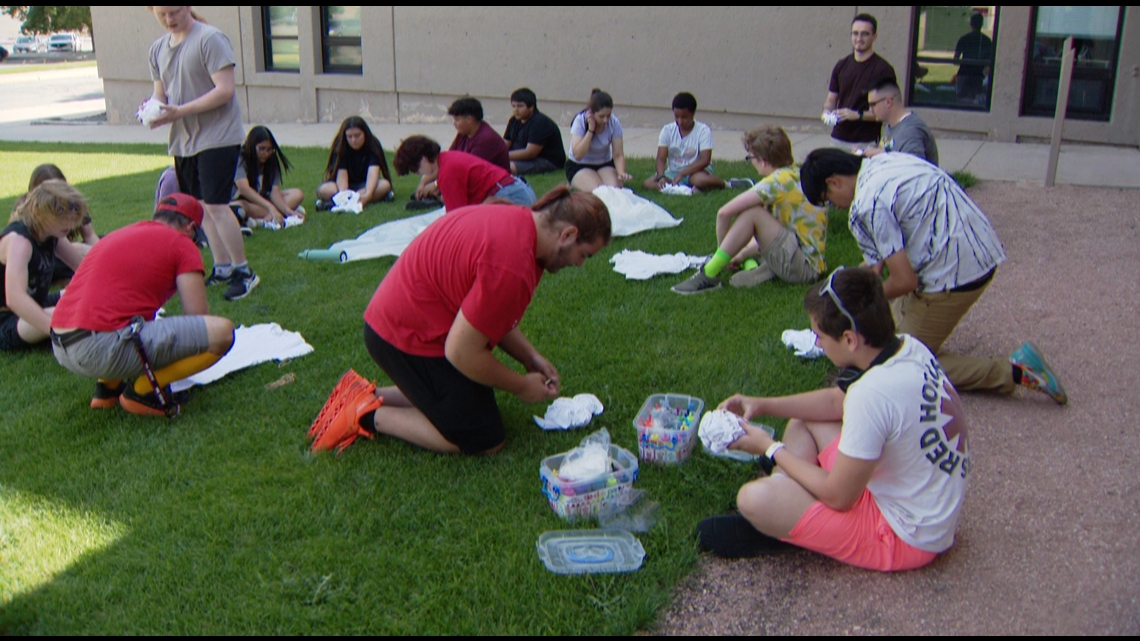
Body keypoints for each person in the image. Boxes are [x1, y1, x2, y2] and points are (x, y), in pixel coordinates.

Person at [697, 267, 970, 572]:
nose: (817, 343)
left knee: (752, 499)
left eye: (820, 336)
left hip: (904, 536)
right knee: (802, 420)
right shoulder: (908, 346)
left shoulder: (872, 394)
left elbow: (839, 496)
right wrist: (759, 404)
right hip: (919, 503)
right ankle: (787, 507)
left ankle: (780, 523)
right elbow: (836, 402)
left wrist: (770, 447)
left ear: (850, 339)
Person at [307, 186, 611, 456]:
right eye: (584, 255)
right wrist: (521, 386)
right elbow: (461, 352)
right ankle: (365, 414)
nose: (579, 264)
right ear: (568, 235)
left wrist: (530, 357)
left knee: (469, 397)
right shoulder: (512, 263)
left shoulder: (520, 224)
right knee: (483, 437)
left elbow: (488, 316)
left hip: (407, 321)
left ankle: (364, 394)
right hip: (403, 335)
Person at [799, 148, 1067, 404]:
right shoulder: (882, 161)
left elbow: (904, 282)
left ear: (834, 182)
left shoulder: (867, 204)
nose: (835, 208)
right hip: (979, 252)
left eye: (828, 201)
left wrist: (851, 306)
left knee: (896, 362)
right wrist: (844, 290)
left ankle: (1015, 371)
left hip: (954, 278)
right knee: (881, 328)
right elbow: (876, 266)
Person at [49, 193, 235, 415]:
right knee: (221, 332)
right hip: (98, 348)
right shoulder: (182, 244)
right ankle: (143, 392)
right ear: (191, 227)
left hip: (60, 343)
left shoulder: (120, 234)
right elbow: (198, 317)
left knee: (127, 315)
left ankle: (107, 390)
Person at [147, 6, 258, 302]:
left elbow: (225, 91)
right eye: (162, 15)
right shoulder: (158, 49)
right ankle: (222, 267)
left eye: (175, 12)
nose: (169, 20)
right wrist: (153, 109)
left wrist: (178, 111)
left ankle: (243, 271)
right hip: (184, 140)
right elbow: (161, 92)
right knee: (199, 207)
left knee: (218, 206)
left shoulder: (210, 39)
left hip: (218, 137)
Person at [673, 126, 826, 294]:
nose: (751, 162)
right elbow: (771, 231)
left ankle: (710, 273)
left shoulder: (777, 181)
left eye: (750, 157)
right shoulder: (796, 174)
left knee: (753, 213)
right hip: (810, 264)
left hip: (803, 267)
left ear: (763, 160)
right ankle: (752, 265)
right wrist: (741, 253)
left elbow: (724, 212)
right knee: (755, 221)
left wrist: (722, 255)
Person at [1, 181, 87, 351]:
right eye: (62, 217)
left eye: (71, 216)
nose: (69, 223)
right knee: (69, 313)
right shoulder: (20, 242)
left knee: (85, 297)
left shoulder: (51, 234)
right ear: (39, 213)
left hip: (37, 302)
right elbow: (15, 299)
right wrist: (55, 329)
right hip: (7, 319)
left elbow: (83, 268)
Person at [411, 97, 511, 208]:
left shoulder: (485, 139)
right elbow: (444, 161)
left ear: (469, 119)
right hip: (474, 181)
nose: (454, 124)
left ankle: (436, 197)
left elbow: (461, 170)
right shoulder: (464, 134)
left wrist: (435, 185)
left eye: (457, 120)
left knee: (449, 188)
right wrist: (424, 182)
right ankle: (434, 196)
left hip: (493, 187)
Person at [394, 135, 536, 211]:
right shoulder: (448, 158)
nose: (418, 174)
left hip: (512, 197)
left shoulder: (448, 171)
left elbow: (458, 216)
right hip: (515, 190)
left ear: (424, 159)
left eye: (415, 169)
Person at [13, 164, 100, 283]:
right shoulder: (22, 232)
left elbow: (89, 235)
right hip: (42, 260)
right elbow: (15, 296)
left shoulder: (71, 204)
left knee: (106, 241)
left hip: (63, 251)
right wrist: (79, 249)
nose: (69, 223)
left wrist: (99, 253)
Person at [822, 13, 897, 147]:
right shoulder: (841, 65)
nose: (859, 38)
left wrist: (857, 115)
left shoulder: (883, 70)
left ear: (874, 37)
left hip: (866, 141)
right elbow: (832, 98)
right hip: (838, 138)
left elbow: (887, 111)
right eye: (855, 33)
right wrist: (827, 112)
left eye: (865, 34)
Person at [643, 92, 725, 192]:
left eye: (684, 117)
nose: (680, 121)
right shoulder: (667, 130)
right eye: (677, 117)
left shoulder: (703, 130)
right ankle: (687, 190)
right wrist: (661, 177)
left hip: (697, 171)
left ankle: (726, 184)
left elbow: (705, 159)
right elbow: (661, 158)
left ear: (693, 113)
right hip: (673, 172)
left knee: (700, 180)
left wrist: (683, 173)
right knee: (648, 183)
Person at [231, 125, 306, 227]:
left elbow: (274, 191)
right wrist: (271, 207)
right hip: (243, 200)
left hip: (262, 199)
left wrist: (288, 211)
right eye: (262, 149)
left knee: (297, 194)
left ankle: (264, 217)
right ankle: (271, 214)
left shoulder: (271, 160)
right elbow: (244, 189)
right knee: (239, 207)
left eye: (269, 149)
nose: (266, 153)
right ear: (251, 146)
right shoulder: (241, 158)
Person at [316, 116, 395, 210]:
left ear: (365, 134)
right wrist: (343, 195)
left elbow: (373, 174)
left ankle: (332, 204)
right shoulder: (340, 146)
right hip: (341, 187)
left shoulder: (373, 145)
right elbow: (342, 177)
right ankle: (352, 200)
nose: (353, 140)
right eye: (349, 136)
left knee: (384, 185)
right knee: (326, 189)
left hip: (364, 185)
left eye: (357, 136)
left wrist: (368, 194)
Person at [862, 79, 939, 166]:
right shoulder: (890, 125)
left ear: (888, 102)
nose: (869, 110)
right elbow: (886, 150)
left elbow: (913, 169)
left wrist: (882, 155)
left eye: (873, 104)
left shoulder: (910, 131)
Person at [566, 89, 631, 192]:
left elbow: (618, 154)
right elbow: (578, 155)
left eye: (608, 115)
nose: (606, 120)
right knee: (599, 191)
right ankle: (574, 181)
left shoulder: (614, 122)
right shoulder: (580, 120)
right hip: (580, 164)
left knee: (615, 190)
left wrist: (621, 172)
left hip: (603, 163)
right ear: (592, 112)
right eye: (601, 116)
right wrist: (591, 130)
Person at [502, 87, 566, 176]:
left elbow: (530, 153)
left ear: (531, 107)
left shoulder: (540, 122)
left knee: (504, 167)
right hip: (522, 158)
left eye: (520, 106)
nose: (515, 110)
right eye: (513, 106)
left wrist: (502, 156)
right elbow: (504, 144)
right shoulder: (514, 121)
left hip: (545, 160)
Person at [954, 13, 993, 105]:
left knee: (960, 99)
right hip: (978, 74)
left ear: (971, 24)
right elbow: (989, 61)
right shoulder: (987, 41)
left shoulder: (964, 39)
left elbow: (955, 60)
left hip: (964, 72)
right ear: (982, 24)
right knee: (976, 99)